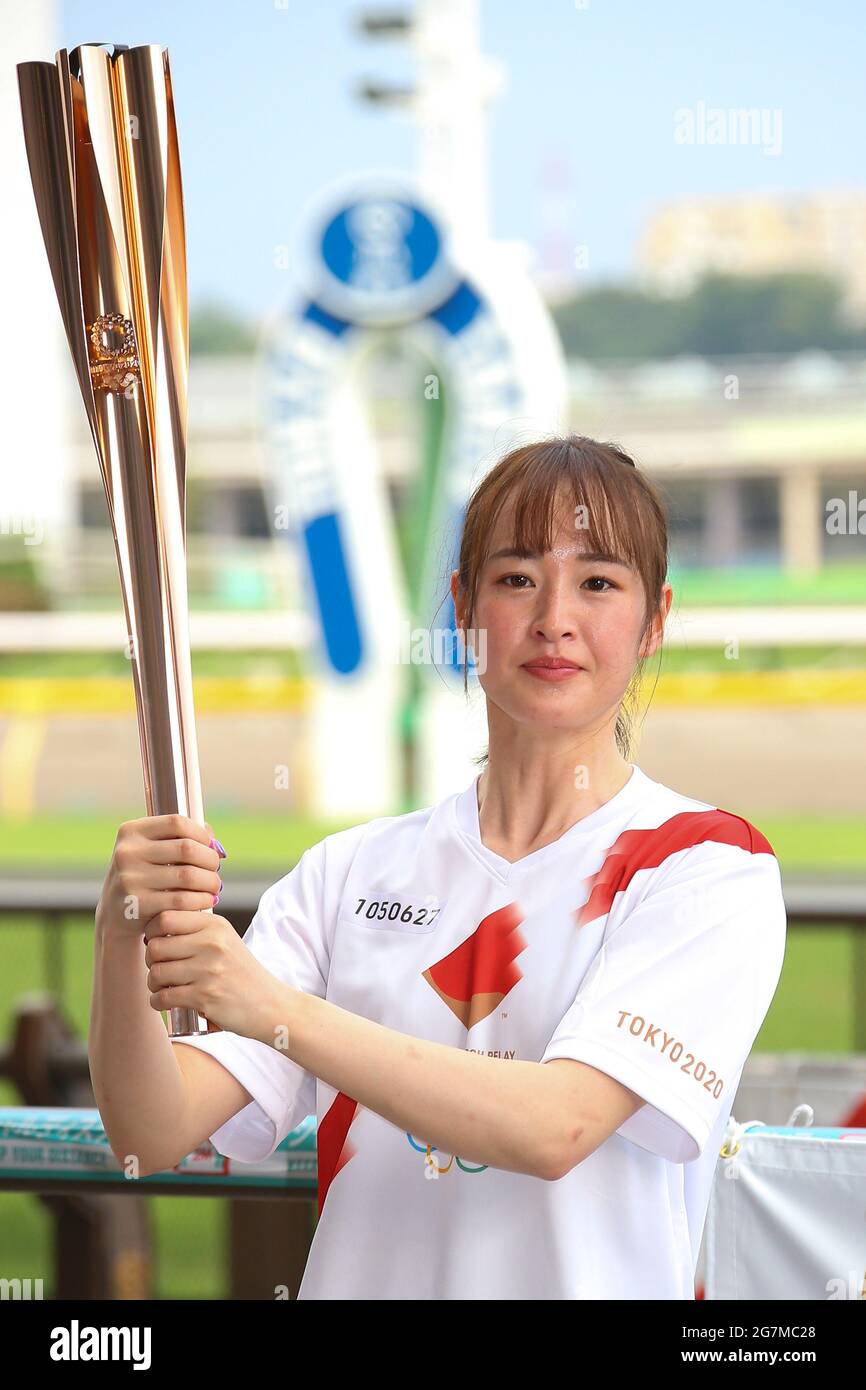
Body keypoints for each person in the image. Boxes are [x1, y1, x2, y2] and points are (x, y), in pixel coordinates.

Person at [90, 434, 787, 1300]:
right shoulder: (349, 873)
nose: (554, 618)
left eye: (598, 582)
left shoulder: (705, 866)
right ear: (463, 608)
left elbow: (556, 1128)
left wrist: (275, 1010)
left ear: (655, 621)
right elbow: (150, 1130)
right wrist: (121, 937)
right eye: (516, 577)